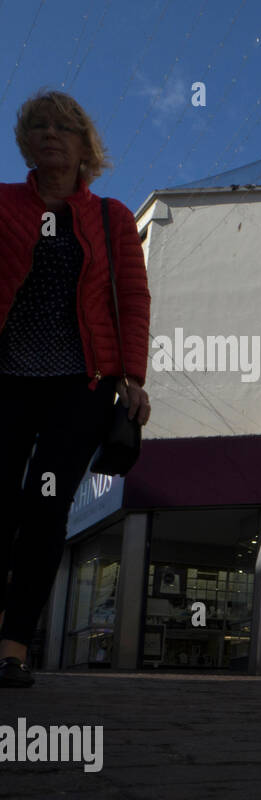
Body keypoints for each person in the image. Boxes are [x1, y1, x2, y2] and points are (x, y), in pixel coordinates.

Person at [0, 91, 151, 689]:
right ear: (24, 142)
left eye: (64, 127)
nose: (50, 134)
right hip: (7, 380)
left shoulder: (110, 217)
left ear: (85, 145)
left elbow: (133, 301)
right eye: (38, 126)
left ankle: (13, 646)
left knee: (45, 512)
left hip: (79, 385)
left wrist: (132, 377)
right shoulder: (5, 205)